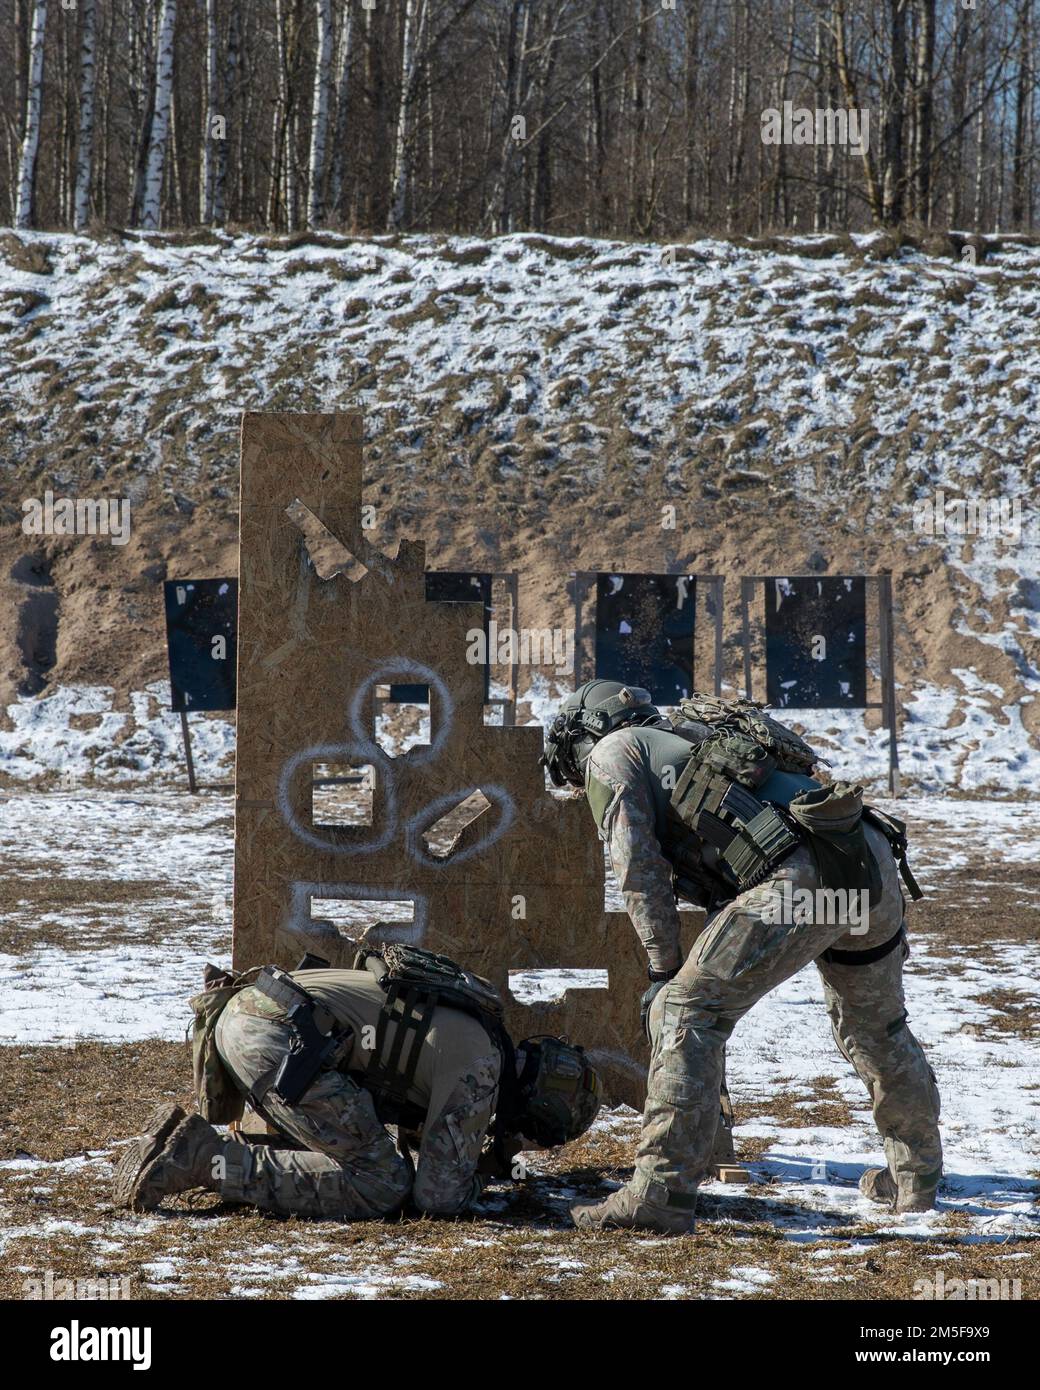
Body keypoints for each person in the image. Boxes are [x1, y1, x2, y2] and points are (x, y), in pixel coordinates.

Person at [542, 680, 942, 1234]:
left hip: (799, 874)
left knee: (685, 1010)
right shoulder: (692, 732)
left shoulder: (614, 754)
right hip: (865, 855)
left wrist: (663, 970)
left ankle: (659, 1195)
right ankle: (915, 1180)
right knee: (879, 1031)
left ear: (584, 733)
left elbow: (640, 873)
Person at [114, 946, 601, 1221]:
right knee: (381, 1184)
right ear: (532, 1110)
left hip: (255, 1015)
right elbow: (438, 1196)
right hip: (281, 1041)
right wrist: (480, 1171)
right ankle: (198, 1158)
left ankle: (231, 1150)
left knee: (356, 1146)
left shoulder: (477, 1029)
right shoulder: (481, 1070)